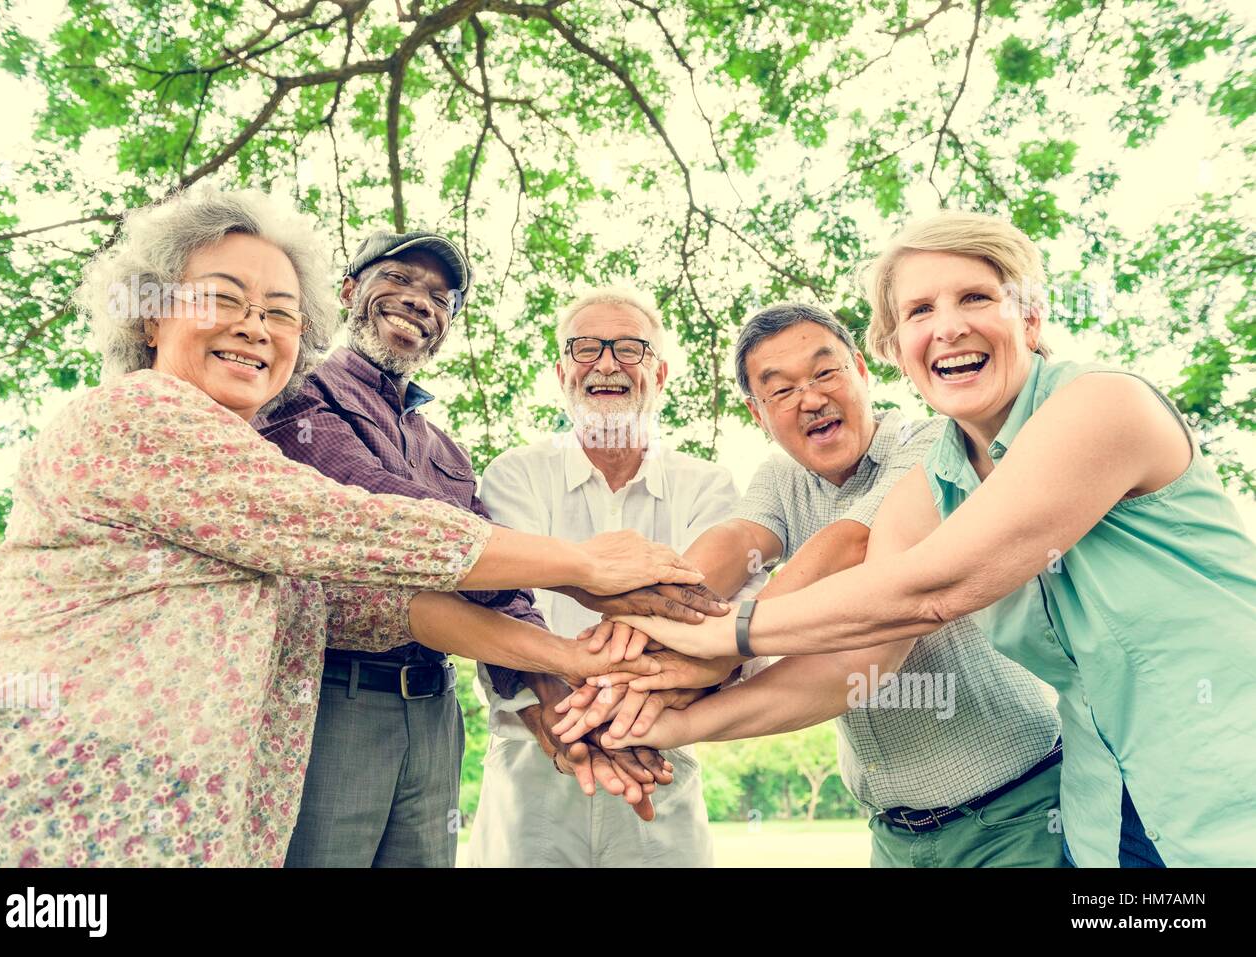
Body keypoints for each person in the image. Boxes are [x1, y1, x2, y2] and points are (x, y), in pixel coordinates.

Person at [0, 187, 700, 868]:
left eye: (278, 312)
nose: (254, 327)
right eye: (224, 298)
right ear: (154, 312)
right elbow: (352, 523)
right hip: (62, 802)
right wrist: (581, 564)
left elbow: (374, 602)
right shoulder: (142, 413)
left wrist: (567, 670)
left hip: (197, 805)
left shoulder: (427, 451)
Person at [610, 211, 1256, 868]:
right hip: (1108, 808)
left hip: (1224, 789)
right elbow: (861, 651)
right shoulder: (938, 477)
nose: (947, 326)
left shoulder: (1104, 404)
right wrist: (660, 717)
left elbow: (929, 588)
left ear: (1029, 319)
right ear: (897, 346)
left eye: (975, 297)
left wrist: (721, 634)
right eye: (919, 310)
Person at [590, 302, 1065, 867]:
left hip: (1017, 811)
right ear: (756, 413)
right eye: (781, 390)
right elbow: (736, 542)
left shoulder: (932, 443)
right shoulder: (781, 477)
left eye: (825, 373)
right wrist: (633, 651)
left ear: (861, 372)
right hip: (896, 834)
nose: (810, 399)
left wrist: (719, 651)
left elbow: (854, 544)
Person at [257, 232, 673, 866]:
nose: (419, 301)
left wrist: (558, 706)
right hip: (335, 699)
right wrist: (580, 571)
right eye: (398, 279)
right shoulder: (303, 390)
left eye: (439, 295)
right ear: (349, 291)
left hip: (435, 708)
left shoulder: (445, 451)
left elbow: (500, 588)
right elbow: (385, 515)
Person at [467, 287, 762, 867]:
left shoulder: (707, 486)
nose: (606, 363)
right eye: (585, 348)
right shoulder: (517, 474)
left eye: (630, 348)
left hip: (659, 762)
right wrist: (555, 713)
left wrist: (618, 717)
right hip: (533, 761)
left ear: (660, 372)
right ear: (561, 372)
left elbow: (720, 619)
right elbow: (500, 599)